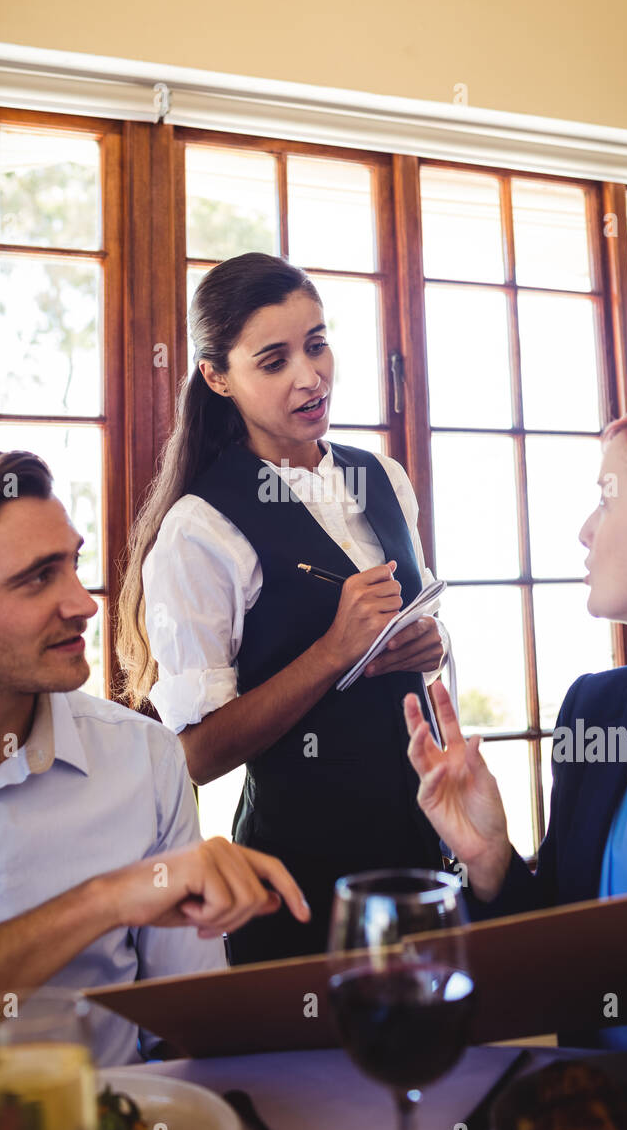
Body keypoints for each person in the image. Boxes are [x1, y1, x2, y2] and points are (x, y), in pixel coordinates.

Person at [0, 446, 309, 1108]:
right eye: (36, 578)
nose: (83, 603)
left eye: (73, 564)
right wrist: (104, 899)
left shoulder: (146, 760)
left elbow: (190, 1041)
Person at [118, 252, 450, 963]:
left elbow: (412, 630)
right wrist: (333, 651)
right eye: (273, 360)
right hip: (301, 883)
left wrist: (430, 643)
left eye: (318, 344)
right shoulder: (199, 531)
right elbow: (196, 755)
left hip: (428, 848)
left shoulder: (382, 476)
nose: (311, 376)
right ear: (217, 376)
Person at [404, 391, 627, 1052]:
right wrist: (491, 860)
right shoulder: (596, 713)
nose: (586, 530)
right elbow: (563, 953)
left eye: (608, 498)